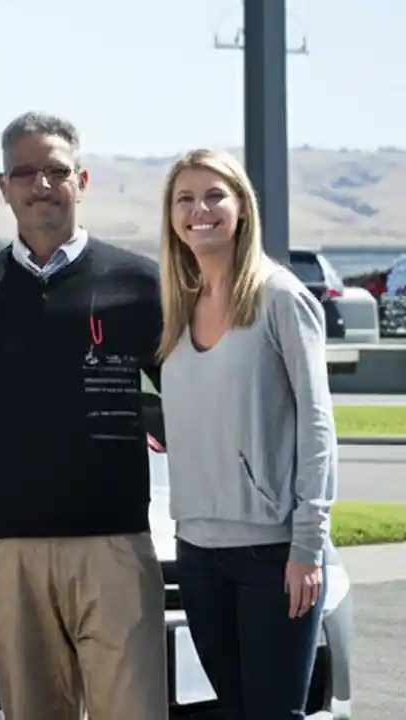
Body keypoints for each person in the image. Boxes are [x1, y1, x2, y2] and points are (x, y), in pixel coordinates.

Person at [0, 111, 168, 720]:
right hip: (8, 554)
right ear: (4, 186)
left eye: (56, 170)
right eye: (25, 172)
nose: (42, 184)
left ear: (82, 179)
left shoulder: (141, 284)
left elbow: (190, 404)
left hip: (114, 545)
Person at [156, 147, 337, 719]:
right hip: (199, 554)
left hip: (274, 553)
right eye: (185, 199)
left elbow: (316, 424)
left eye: (214, 195)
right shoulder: (179, 310)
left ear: (242, 208)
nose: (199, 210)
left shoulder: (280, 298)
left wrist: (307, 544)